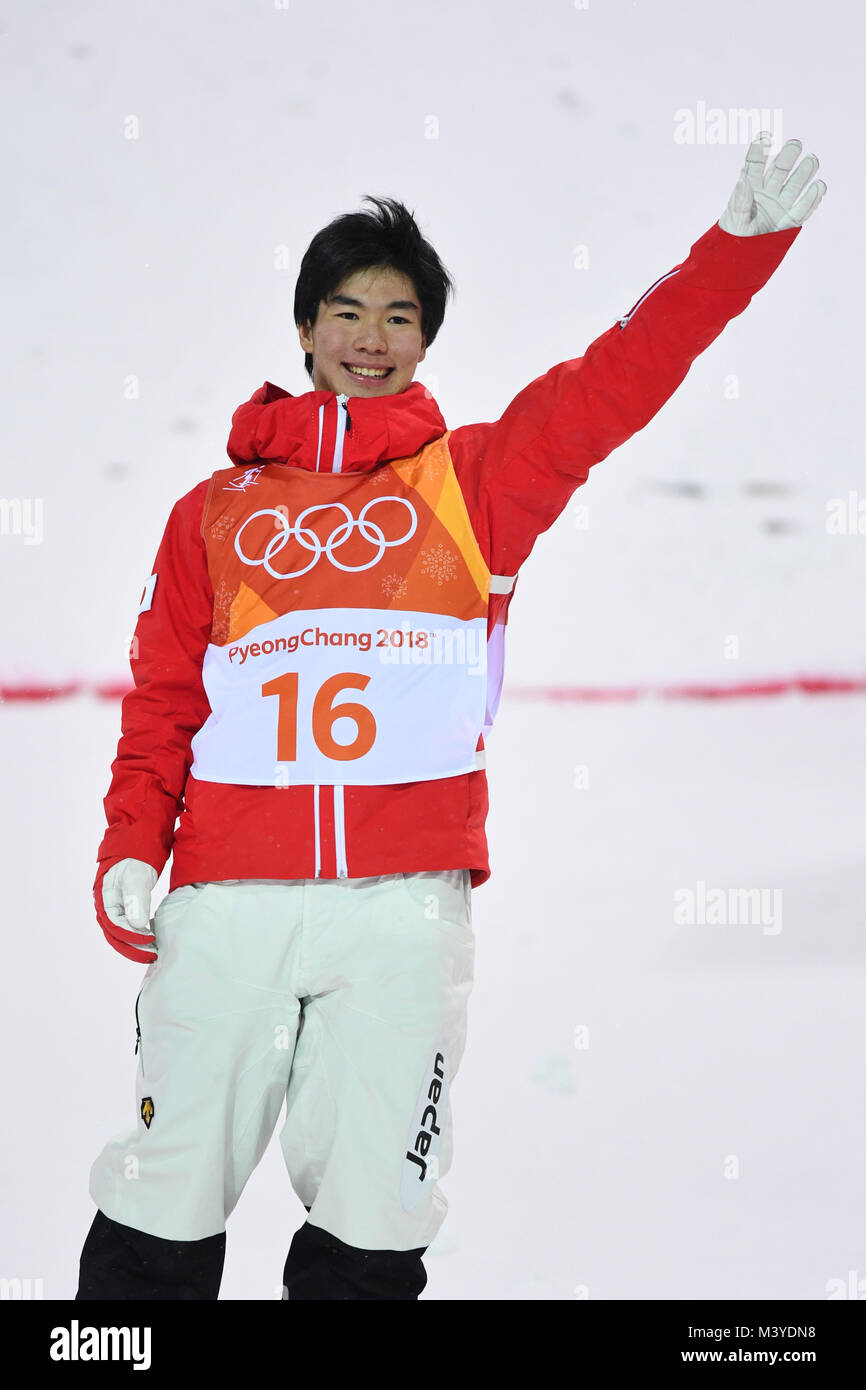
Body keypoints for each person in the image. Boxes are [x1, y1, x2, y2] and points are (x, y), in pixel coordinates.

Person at [75, 133, 826, 1300]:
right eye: (346, 311)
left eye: (399, 317)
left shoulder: (474, 484)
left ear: (426, 339)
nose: (369, 340)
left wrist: (733, 252)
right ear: (305, 328)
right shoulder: (209, 514)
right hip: (228, 901)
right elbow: (165, 700)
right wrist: (132, 843)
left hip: (401, 912)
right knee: (161, 1199)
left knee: (377, 1214)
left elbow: (615, 377)